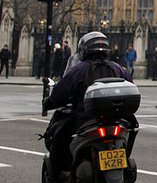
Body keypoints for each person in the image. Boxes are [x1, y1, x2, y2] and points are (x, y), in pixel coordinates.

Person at [42, 32, 134, 175]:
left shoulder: (79, 70)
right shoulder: (118, 69)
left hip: (85, 119)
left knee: (59, 137)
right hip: (116, 119)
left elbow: (61, 91)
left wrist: (49, 102)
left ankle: (56, 175)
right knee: (132, 130)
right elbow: (130, 87)